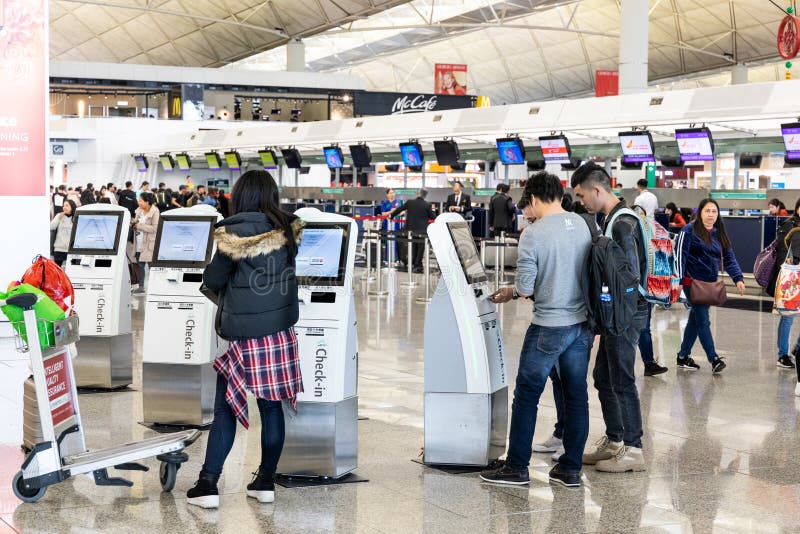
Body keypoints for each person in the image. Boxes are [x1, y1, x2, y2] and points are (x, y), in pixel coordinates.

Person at [187, 170, 304, 509]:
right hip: (279, 332)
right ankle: (266, 481)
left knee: (225, 409)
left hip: (242, 335)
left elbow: (214, 277)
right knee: (271, 407)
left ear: (240, 196)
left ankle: (208, 485)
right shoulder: (288, 230)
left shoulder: (231, 233)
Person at [479, 172, 593, 488]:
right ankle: (570, 469)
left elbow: (528, 286)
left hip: (548, 326)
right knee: (576, 394)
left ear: (532, 198)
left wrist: (517, 289)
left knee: (528, 394)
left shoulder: (534, 233)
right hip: (580, 325)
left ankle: (516, 467)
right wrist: (514, 290)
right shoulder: (581, 223)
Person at [572, 162, 648, 473]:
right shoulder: (621, 216)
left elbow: (627, 278)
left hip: (626, 313)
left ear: (597, 190)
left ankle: (633, 449)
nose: (581, 202)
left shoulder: (620, 223)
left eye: (581, 195)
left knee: (621, 377)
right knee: (603, 376)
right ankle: (616, 440)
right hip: (622, 312)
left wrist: (614, 318)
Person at [676, 198, 745, 374]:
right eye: (707, 211)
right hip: (691, 282)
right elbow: (680, 257)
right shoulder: (689, 230)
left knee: (695, 320)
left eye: (714, 211)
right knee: (703, 319)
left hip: (709, 283)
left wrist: (738, 278)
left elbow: (729, 257)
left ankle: (683, 356)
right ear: (700, 212)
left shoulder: (718, 232)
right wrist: (678, 281)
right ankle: (713, 358)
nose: (711, 215)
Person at [769, 198, 800, 371]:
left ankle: (796, 349)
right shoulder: (790, 226)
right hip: (792, 278)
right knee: (788, 317)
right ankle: (782, 355)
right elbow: (783, 252)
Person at [389, 189, 436, 273]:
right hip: (422, 231)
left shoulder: (409, 202)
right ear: (424, 196)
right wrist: (432, 211)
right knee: (420, 249)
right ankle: (417, 265)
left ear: (417, 194)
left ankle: (415, 264)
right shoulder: (427, 205)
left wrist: (391, 216)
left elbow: (399, 209)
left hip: (410, 231)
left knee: (413, 247)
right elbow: (433, 217)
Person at [132, 192, 160, 292]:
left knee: (152, 267)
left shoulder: (155, 212)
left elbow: (155, 229)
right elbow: (136, 222)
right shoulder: (139, 210)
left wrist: (139, 226)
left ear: (147, 202)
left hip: (149, 243)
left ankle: (155, 287)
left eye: (140, 200)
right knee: (140, 266)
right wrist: (133, 222)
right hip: (139, 241)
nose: (138, 202)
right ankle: (141, 287)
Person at [50, 200, 77, 267]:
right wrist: (58, 218)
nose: (64, 207)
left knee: (71, 270)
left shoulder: (76, 217)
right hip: (59, 249)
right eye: (64, 205)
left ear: (72, 207)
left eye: (67, 205)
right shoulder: (59, 215)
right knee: (57, 271)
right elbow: (51, 227)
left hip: (71, 249)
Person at [380, 189, 402, 264]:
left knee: (396, 241)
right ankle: (387, 258)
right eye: (390, 193)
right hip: (387, 224)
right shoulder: (384, 203)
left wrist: (396, 212)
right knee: (388, 240)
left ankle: (397, 258)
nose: (392, 194)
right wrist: (392, 211)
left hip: (396, 224)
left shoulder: (398, 202)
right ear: (387, 195)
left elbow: (402, 212)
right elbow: (383, 214)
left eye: (393, 193)